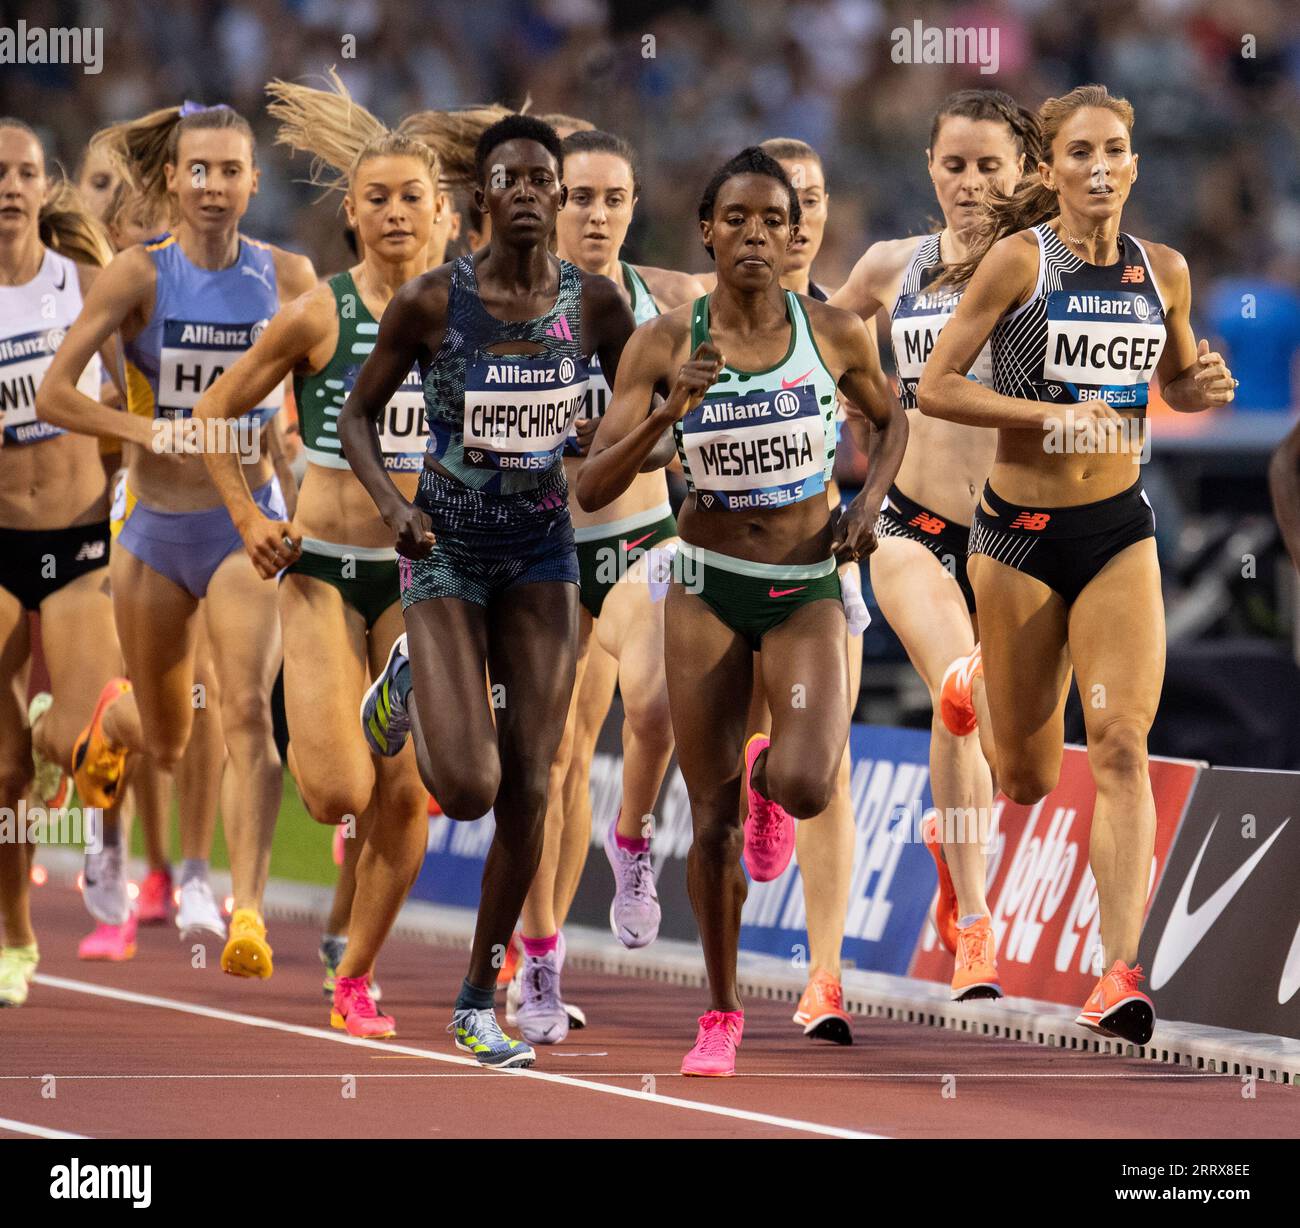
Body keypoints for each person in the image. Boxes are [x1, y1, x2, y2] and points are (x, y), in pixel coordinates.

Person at [917, 84, 1236, 1044]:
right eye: (1081, 153)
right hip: (1017, 534)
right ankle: (970, 678)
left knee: (1119, 745)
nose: (1101, 167)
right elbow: (938, 387)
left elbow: (1172, 377)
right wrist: (1044, 416)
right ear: (1050, 170)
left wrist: (1196, 382)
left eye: (1117, 150)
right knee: (1020, 776)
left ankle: (1118, 972)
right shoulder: (1021, 262)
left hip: (1118, 530)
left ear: (1135, 165)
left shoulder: (1163, 270)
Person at [577, 147, 906, 1076]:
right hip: (706, 589)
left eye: (775, 221)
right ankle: (720, 1013)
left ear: (797, 234)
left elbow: (891, 419)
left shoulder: (835, 332)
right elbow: (599, 483)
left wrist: (870, 500)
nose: (757, 235)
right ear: (708, 232)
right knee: (710, 818)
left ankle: (774, 784)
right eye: (738, 220)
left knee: (805, 787)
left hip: (803, 589)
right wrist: (663, 414)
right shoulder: (662, 341)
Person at [339, 115, 636, 1068]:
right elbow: (356, 415)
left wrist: (638, 431)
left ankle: (478, 998)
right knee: (465, 789)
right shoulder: (433, 302)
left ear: (554, 195)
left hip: (542, 552)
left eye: (540, 179)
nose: (525, 192)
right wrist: (392, 505)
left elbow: (633, 425)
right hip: (446, 547)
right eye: (506, 178)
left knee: (533, 785)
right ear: (480, 200)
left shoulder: (592, 308)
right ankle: (414, 677)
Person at [37, 101, 317, 980]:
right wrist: (148, 431)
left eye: (231, 171)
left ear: (252, 183)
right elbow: (53, 396)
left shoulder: (289, 275)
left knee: (239, 711)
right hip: (153, 527)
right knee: (166, 740)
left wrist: (297, 447)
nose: (213, 187)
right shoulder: (135, 276)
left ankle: (247, 911)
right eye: (198, 170)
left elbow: (318, 387)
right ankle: (107, 728)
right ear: (172, 180)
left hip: (245, 524)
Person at [193, 73, 447, 1036]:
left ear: (440, 212)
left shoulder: (471, 314)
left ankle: (357, 974)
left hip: (428, 579)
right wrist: (250, 519)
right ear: (351, 212)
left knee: (409, 795)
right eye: (375, 198)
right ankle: (379, 708)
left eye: (410, 198)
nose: (392, 212)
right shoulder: (322, 313)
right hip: (328, 574)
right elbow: (213, 414)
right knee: (338, 790)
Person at [830, 89, 1041, 1001]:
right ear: (929, 167)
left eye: (990, 165)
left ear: (1027, 170)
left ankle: (957, 864)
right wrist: (842, 403)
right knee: (956, 684)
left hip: (1015, 529)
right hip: (909, 524)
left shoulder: (1043, 268)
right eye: (954, 165)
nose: (970, 183)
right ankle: (979, 929)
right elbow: (816, 339)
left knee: (1011, 754)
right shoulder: (890, 266)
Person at [508, 128, 704, 1045]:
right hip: (544, 554)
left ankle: (633, 840)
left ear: (634, 206)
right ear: (549, 205)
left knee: (657, 700)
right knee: (553, 762)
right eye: (578, 198)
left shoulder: (669, 301)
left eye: (613, 199)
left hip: (639, 535)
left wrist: (622, 443)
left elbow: (690, 433)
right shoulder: (504, 305)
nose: (595, 215)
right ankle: (539, 966)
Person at [78, 165, 230, 956]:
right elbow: (82, 409)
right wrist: (127, 426)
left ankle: (189, 869)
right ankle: (121, 857)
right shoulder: (103, 289)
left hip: (213, 510)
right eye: (102, 189)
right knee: (142, 694)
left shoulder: (201, 285)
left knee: (198, 700)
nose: (119, 203)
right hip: (125, 512)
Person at [0, 119, 126, 1003]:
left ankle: (57, 734)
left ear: (46, 188)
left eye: (25, 171)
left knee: (67, 746)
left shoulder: (85, 286)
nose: (8, 185)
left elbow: (134, 398)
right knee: (3, 772)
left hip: (81, 546)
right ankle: (14, 932)